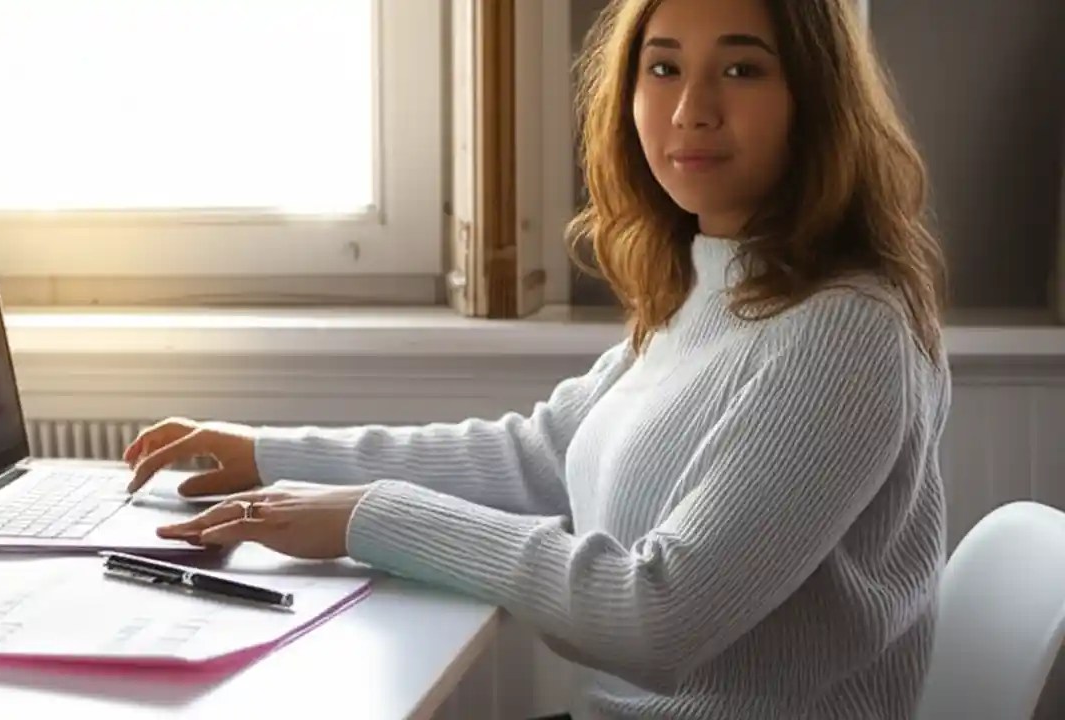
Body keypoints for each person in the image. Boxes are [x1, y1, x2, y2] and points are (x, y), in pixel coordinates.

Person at [124, 0, 952, 716]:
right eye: (662, 68)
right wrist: (268, 454)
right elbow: (540, 455)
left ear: (816, 99)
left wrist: (371, 515)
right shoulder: (710, 279)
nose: (691, 109)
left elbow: (656, 618)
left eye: (741, 71)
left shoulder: (849, 331)